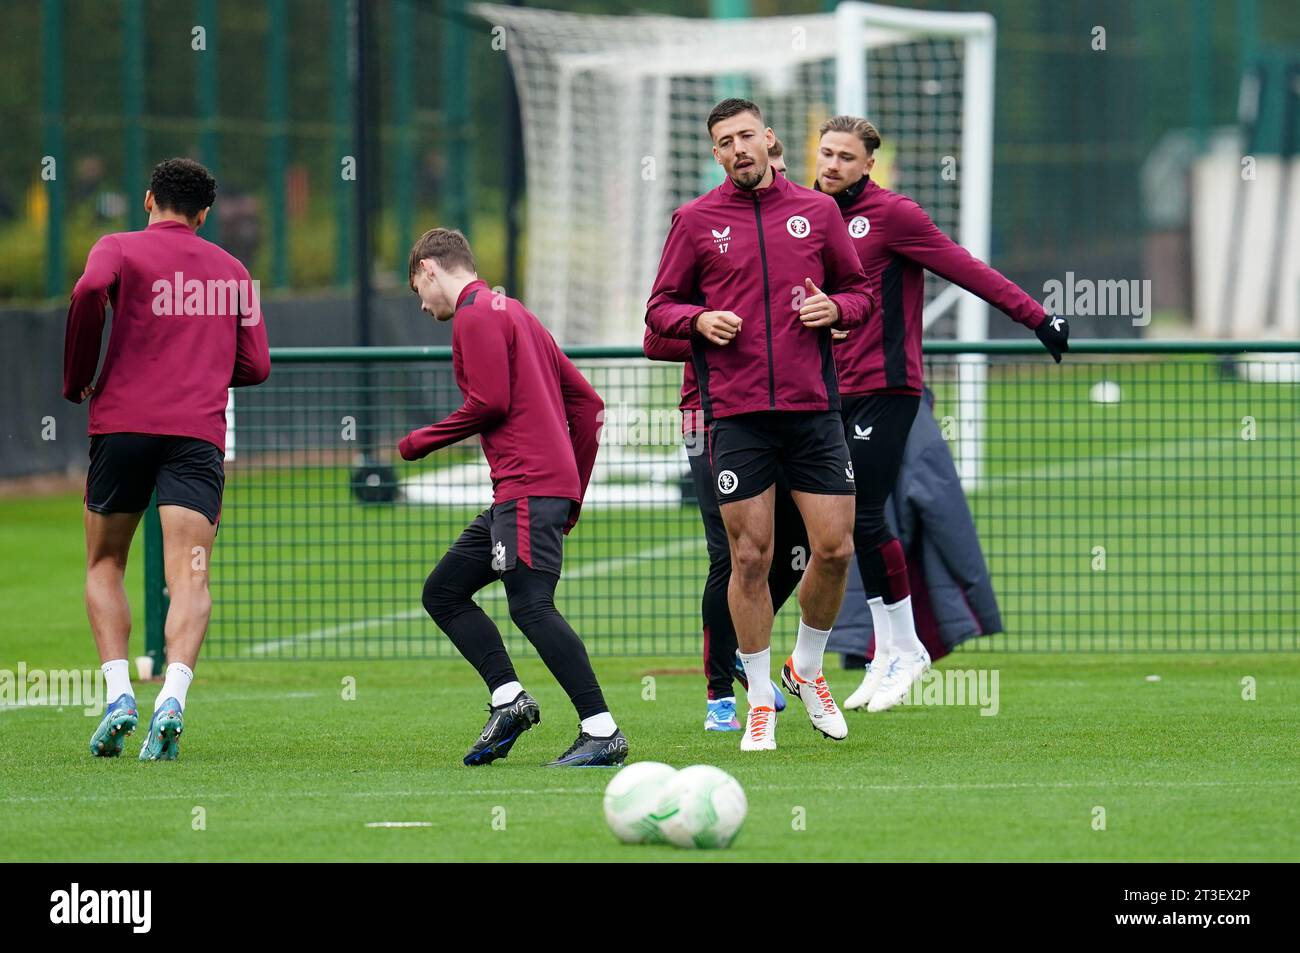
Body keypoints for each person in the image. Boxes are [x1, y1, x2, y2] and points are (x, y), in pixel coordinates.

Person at [811, 115, 1069, 712]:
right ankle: (890, 651)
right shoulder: (811, 214)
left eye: (846, 157)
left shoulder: (895, 215)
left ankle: (905, 649)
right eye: (826, 153)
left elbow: (966, 268)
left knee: (864, 514)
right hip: (828, 391)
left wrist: (1037, 318)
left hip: (888, 388)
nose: (832, 165)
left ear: (869, 163)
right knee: (845, 525)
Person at [645, 98, 875, 751]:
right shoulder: (694, 221)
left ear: (768, 139)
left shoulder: (818, 212)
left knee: (833, 548)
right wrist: (696, 321)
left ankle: (805, 665)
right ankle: (757, 703)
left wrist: (836, 307)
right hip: (736, 416)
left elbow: (860, 296)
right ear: (715, 153)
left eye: (746, 135)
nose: (738, 148)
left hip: (812, 411)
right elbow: (659, 309)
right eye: (724, 142)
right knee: (750, 556)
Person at [64, 157, 270, 760]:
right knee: (192, 574)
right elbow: (257, 365)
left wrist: (80, 374)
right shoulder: (233, 270)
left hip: (122, 427)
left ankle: (119, 695)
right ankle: (173, 697)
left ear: (149, 199)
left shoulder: (118, 247)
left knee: (105, 562)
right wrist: (202, 367)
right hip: (195, 436)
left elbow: (86, 290)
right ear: (204, 214)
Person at [399, 227, 626, 767]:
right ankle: (510, 700)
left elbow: (490, 402)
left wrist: (418, 442)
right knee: (444, 591)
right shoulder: (516, 311)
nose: (423, 306)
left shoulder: (476, 314)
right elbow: (590, 406)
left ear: (431, 269)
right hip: (531, 490)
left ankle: (602, 731)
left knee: (530, 606)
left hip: (526, 487)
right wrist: (573, 490)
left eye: (417, 291)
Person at [643, 136, 801, 732]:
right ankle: (719, 696)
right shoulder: (706, 234)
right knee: (730, 555)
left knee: (806, 544)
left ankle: (743, 647)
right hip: (711, 417)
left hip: (786, 416)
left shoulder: (797, 238)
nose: (775, 181)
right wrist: (706, 326)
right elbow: (654, 335)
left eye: (784, 173)